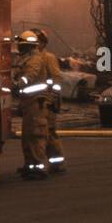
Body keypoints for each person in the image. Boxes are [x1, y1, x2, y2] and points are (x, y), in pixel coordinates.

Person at [13, 30, 52, 180]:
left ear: (28, 46)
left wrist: (17, 84)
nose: (19, 48)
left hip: (37, 102)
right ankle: (30, 165)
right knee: (28, 135)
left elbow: (30, 75)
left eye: (21, 46)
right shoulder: (26, 58)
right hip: (29, 102)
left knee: (36, 135)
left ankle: (38, 167)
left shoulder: (35, 59)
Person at [33, 27, 66, 173]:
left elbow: (56, 79)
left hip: (47, 102)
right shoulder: (31, 58)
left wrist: (52, 99)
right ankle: (35, 162)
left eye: (36, 42)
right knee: (37, 133)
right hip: (35, 102)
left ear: (42, 43)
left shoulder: (48, 58)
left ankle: (56, 163)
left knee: (49, 133)